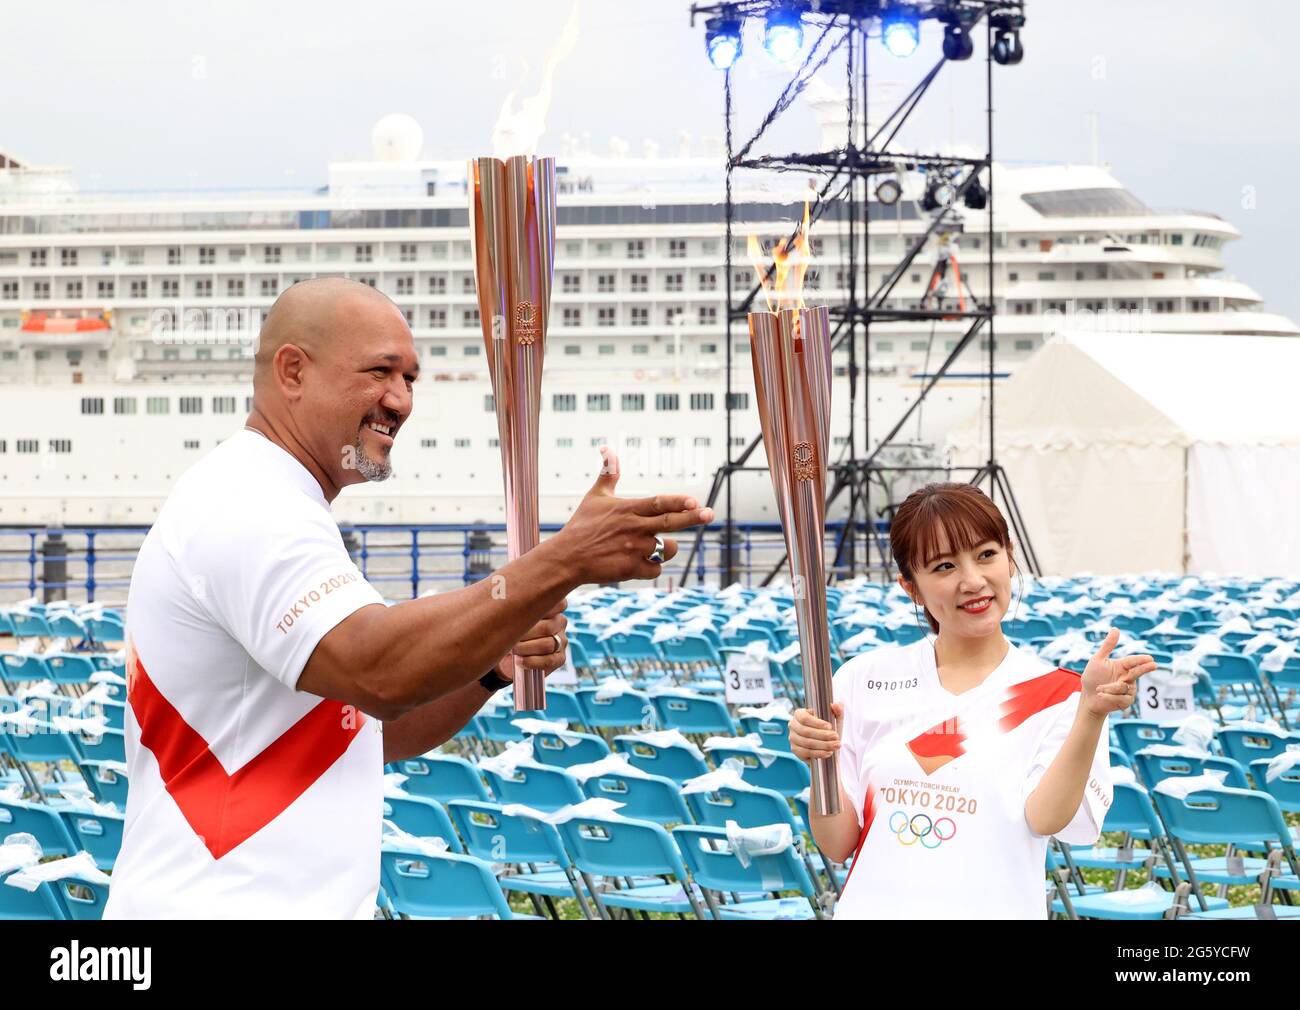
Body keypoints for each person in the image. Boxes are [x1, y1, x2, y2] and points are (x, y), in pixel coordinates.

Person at [104, 278, 713, 918]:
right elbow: (379, 672)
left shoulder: (275, 502)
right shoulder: (248, 502)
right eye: (380, 372)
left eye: (411, 379)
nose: (400, 400)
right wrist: (561, 560)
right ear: (293, 372)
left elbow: (370, 729)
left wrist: (489, 664)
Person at [789, 482, 1153, 919]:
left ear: (1009, 558)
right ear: (911, 588)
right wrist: (822, 760)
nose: (973, 581)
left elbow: (1046, 819)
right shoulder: (863, 680)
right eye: (944, 566)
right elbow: (837, 843)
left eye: (985, 555)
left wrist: (1090, 715)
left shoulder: (1061, 694)